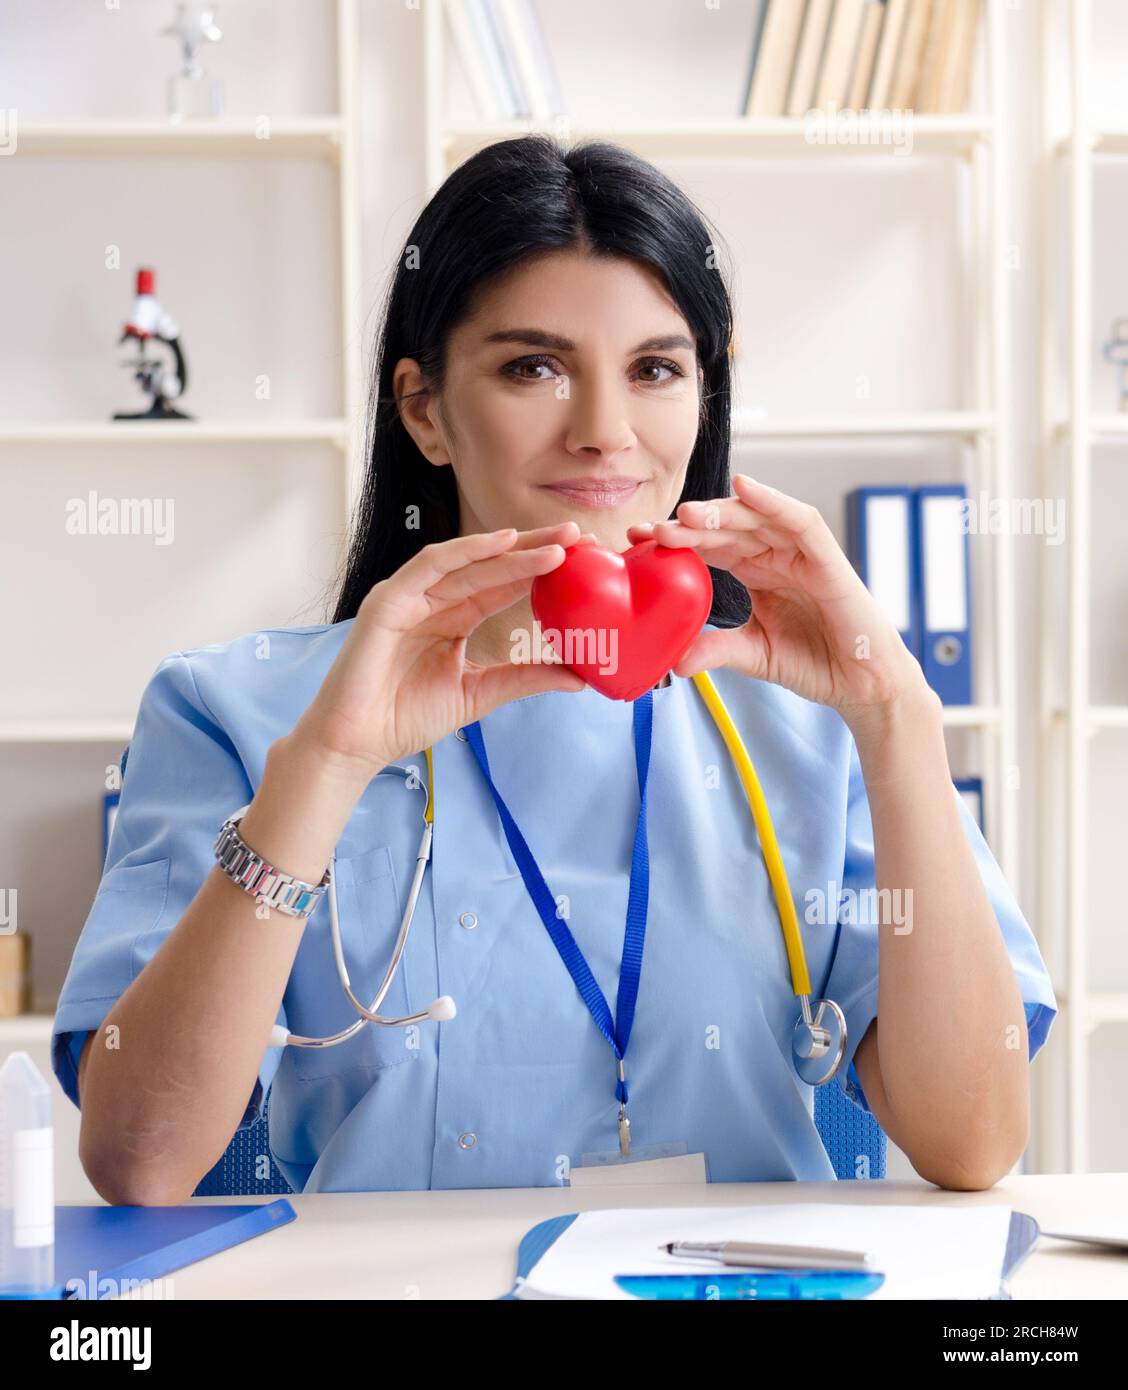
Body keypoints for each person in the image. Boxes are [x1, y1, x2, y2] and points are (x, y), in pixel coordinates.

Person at [52, 137, 1056, 1202]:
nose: (604, 432)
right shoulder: (240, 708)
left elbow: (973, 1142)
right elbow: (141, 1160)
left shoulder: (812, 725)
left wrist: (897, 715)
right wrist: (328, 767)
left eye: (656, 369)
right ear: (425, 410)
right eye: (533, 367)